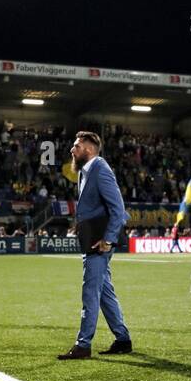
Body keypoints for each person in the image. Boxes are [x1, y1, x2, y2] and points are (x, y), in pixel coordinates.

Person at [56, 132, 132, 359]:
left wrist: (108, 240)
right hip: (93, 239)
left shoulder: (100, 168)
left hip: (100, 242)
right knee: (104, 292)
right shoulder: (86, 171)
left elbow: (118, 208)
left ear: (88, 150)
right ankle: (123, 339)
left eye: (76, 146)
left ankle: (83, 345)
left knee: (90, 291)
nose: (72, 150)